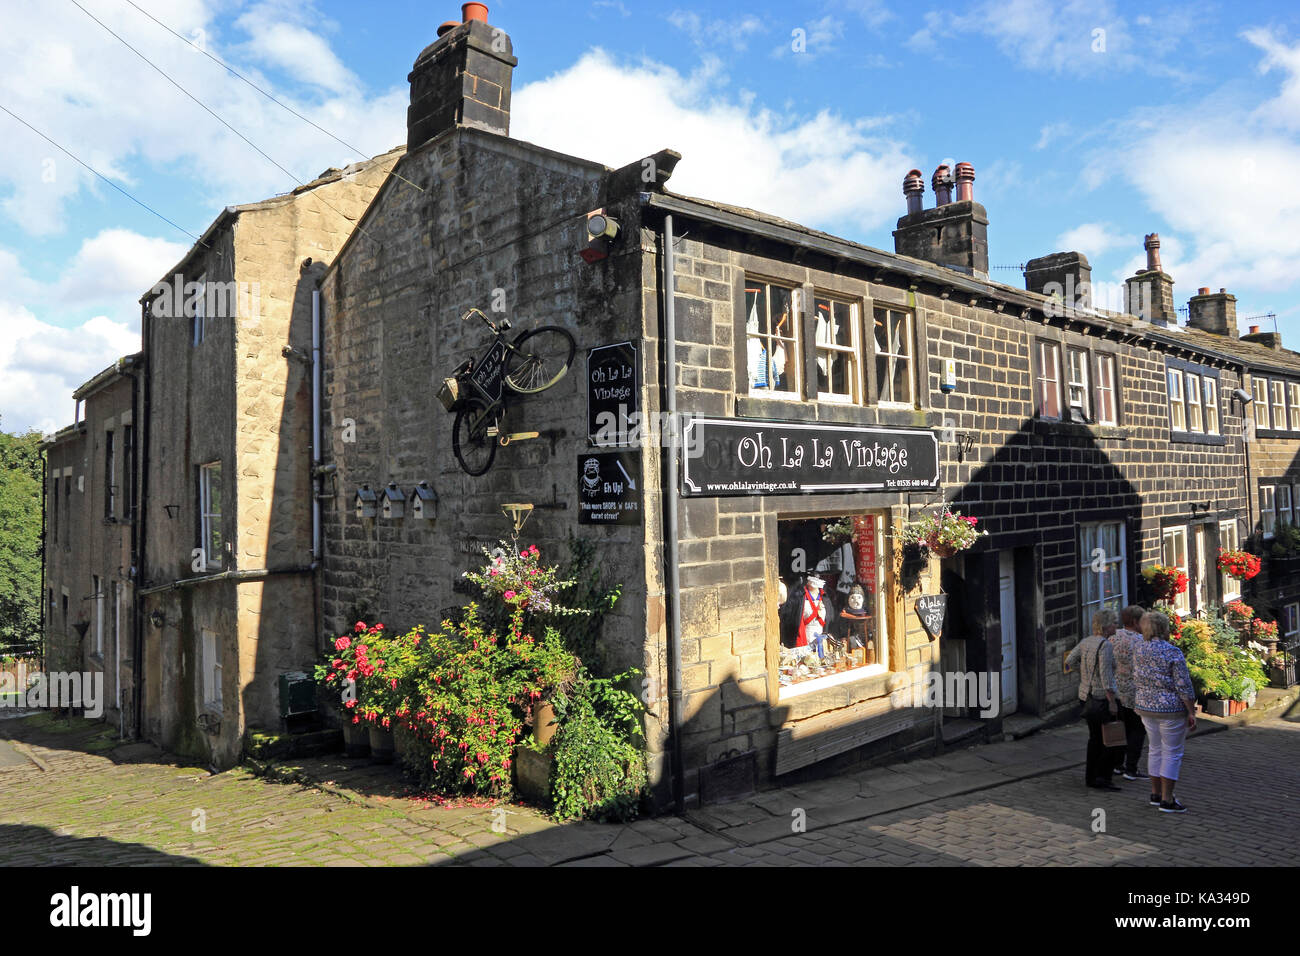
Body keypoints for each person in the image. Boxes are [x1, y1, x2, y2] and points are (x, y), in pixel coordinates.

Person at [1135, 610, 1197, 813]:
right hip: (1170, 709)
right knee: (1172, 752)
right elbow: (1183, 685)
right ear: (1163, 628)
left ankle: (1155, 793)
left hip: (1146, 707)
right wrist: (1191, 711)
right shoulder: (1172, 652)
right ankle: (1167, 799)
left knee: (1154, 749)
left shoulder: (1138, 649)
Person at [1064, 609, 1121, 791]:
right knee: (1109, 740)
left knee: (1094, 738)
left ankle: (1092, 777)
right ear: (1105, 626)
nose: (1116, 626)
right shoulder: (1105, 645)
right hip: (1101, 698)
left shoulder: (1086, 641)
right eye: (1114, 623)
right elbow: (1106, 676)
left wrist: (1085, 674)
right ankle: (1102, 777)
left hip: (1085, 697)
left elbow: (1070, 661)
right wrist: (1112, 701)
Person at [1109, 605, 1149, 780]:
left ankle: (1117, 764)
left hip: (1116, 692)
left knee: (1120, 729)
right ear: (1135, 621)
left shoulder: (1112, 638)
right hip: (1135, 693)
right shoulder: (1141, 642)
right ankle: (1131, 768)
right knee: (1137, 730)